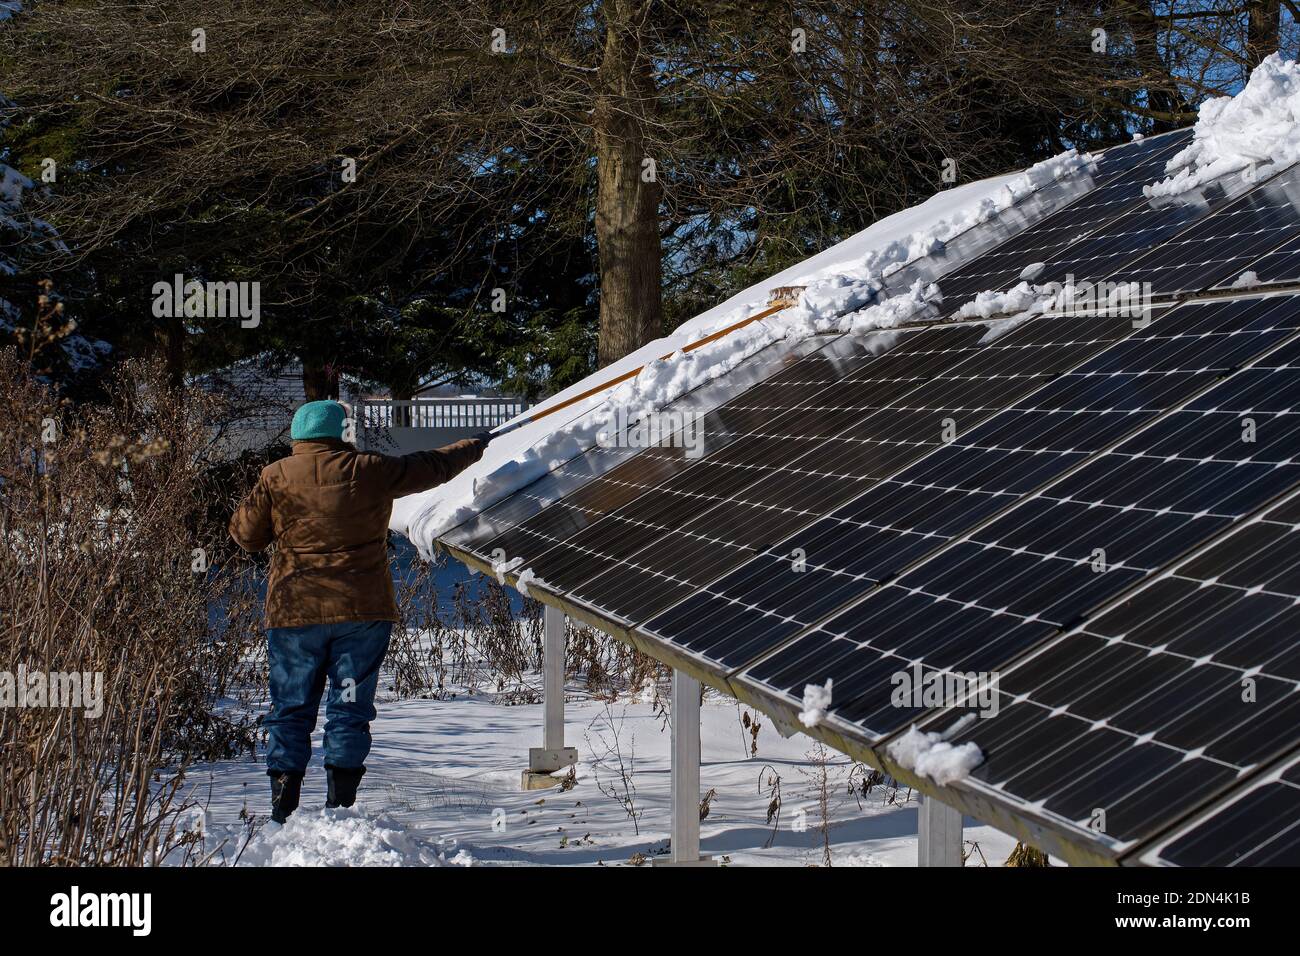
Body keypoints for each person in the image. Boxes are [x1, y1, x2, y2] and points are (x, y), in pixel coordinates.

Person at [229, 399, 490, 823]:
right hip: (361, 612)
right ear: (341, 434)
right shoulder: (369, 470)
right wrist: (474, 444)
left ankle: (282, 807)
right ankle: (340, 805)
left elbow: (245, 536)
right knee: (349, 704)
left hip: (295, 614)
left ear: (298, 437)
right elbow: (431, 465)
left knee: (291, 708)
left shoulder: (274, 476)